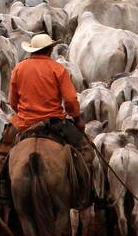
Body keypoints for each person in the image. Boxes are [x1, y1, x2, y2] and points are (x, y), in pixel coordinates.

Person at [7, 34, 92, 164]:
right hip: (55, 124)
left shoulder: (19, 68)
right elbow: (70, 100)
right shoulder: (58, 69)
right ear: (50, 50)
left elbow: (13, 101)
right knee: (86, 151)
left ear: (32, 51)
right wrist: (77, 119)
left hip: (25, 123)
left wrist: (25, 113)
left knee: (1, 150)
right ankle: (87, 184)